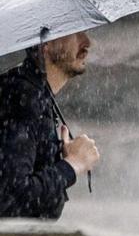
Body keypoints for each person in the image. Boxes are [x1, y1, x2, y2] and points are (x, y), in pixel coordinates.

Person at [0, 33, 101, 218]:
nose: (87, 42)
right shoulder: (21, 97)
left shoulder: (32, 92)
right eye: (75, 33)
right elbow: (10, 199)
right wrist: (71, 165)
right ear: (45, 43)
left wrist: (58, 159)